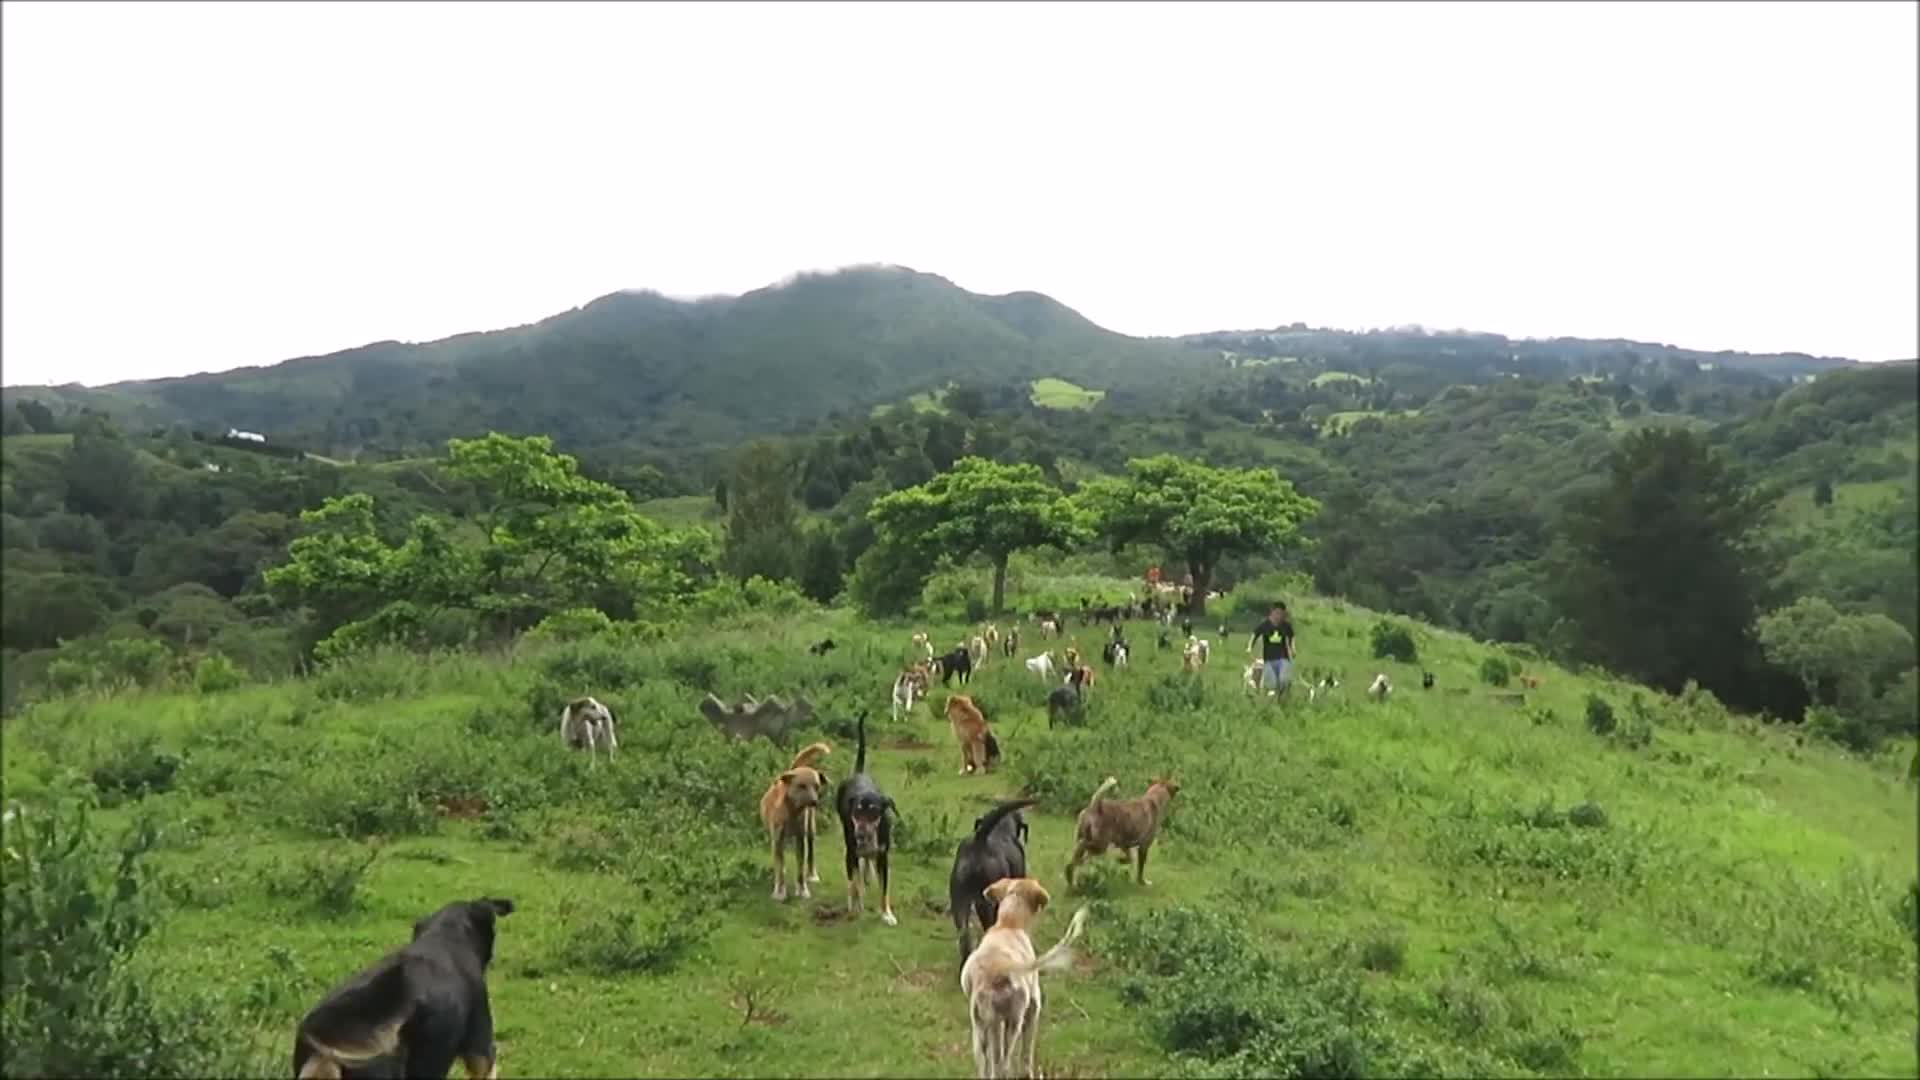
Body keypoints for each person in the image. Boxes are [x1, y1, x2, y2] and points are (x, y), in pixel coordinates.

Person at [1247, 602, 1295, 697]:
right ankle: (1277, 699)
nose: (1279, 616)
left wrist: (1293, 648)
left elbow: (1291, 636)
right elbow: (1255, 634)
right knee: (1272, 684)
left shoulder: (1286, 625)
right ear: (1272, 612)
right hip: (1269, 659)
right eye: (1277, 613)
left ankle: (1283, 696)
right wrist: (1249, 646)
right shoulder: (1265, 625)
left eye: (1281, 614)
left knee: (1283, 680)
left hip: (1283, 658)